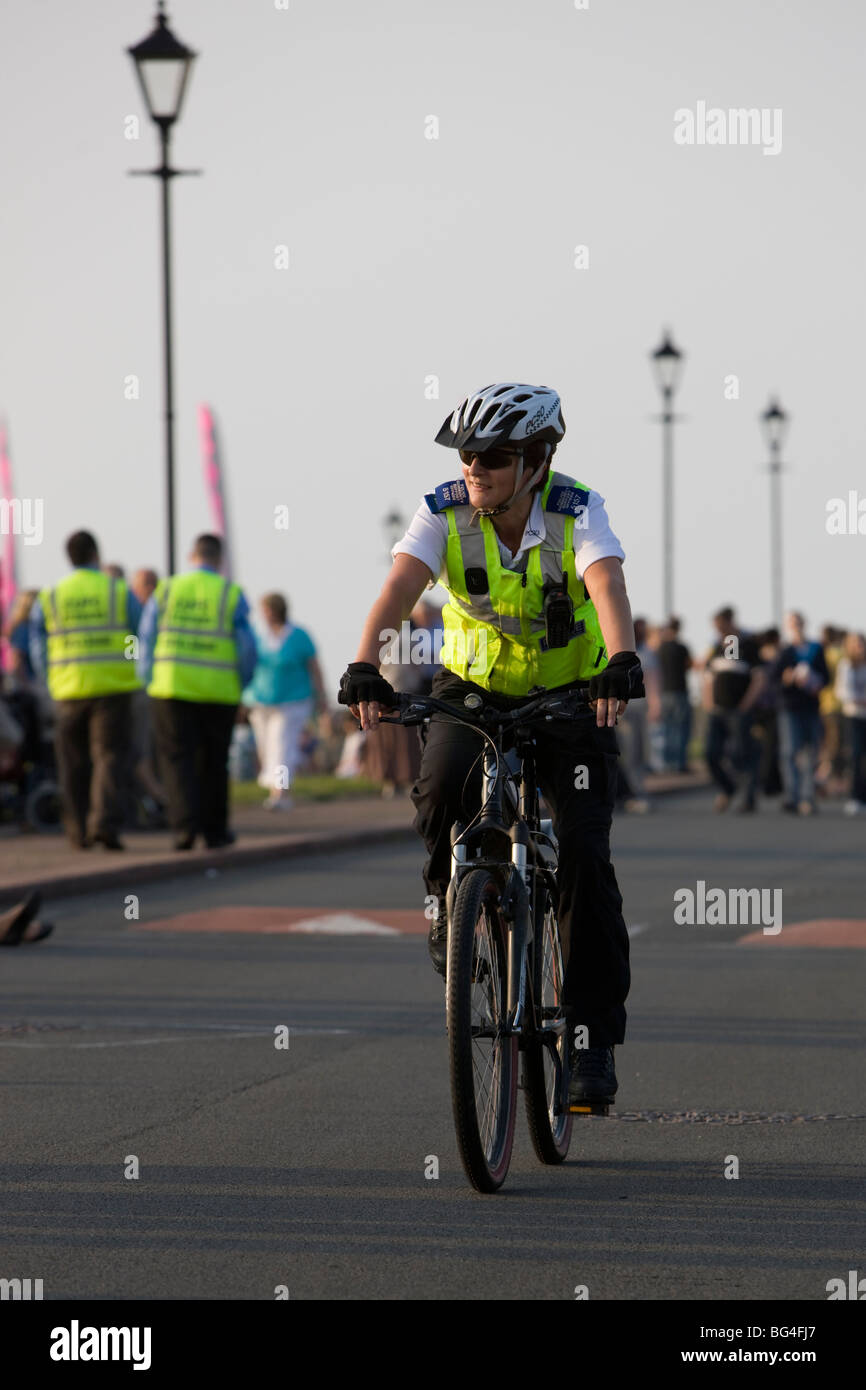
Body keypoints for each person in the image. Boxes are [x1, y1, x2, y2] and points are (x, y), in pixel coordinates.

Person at [338, 381, 644, 1107]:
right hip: (473, 690)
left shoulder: (578, 510)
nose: (475, 468)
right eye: (467, 454)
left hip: (571, 699)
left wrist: (622, 660)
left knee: (584, 856)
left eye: (494, 457)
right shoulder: (444, 510)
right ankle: (449, 898)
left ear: (538, 458)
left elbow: (608, 586)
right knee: (441, 786)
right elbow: (397, 592)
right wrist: (364, 666)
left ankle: (590, 1039)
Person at [138, 533, 256, 849]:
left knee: (177, 760)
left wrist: (148, 679)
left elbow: (146, 639)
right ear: (218, 560)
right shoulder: (230, 594)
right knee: (215, 762)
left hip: (170, 688)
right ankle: (215, 831)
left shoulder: (166, 590)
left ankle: (183, 829)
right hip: (219, 691)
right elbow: (246, 647)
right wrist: (241, 682)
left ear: (192, 555)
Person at [29, 530, 142, 849]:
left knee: (72, 762)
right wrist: (131, 661)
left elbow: (39, 643)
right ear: (96, 553)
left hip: (68, 688)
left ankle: (78, 831)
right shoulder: (117, 590)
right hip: (112, 686)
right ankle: (104, 823)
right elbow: (138, 631)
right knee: (108, 758)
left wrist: (49, 676)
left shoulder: (51, 595)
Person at [242, 593, 327, 809]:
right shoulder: (260, 636)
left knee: (282, 746)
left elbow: (314, 667)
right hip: (260, 700)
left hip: (292, 701)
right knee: (265, 748)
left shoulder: (299, 636)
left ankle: (280, 793)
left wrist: (322, 696)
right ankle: (275, 787)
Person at [702, 606, 764, 813]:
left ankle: (748, 799)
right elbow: (709, 676)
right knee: (710, 754)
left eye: (721, 627)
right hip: (717, 711)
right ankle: (728, 788)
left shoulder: (748, 644)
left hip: (739, 711)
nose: (718, 631)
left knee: (742, 754)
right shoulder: (717, 646)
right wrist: (708, 702)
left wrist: (747, 704)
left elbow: (759, 677)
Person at [771, 612, 829, 816]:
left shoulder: (816, 649)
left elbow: (827, 677)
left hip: (810, 707)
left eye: (798, 622)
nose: (795, 626)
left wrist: (816, 682)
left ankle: (807, 797)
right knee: (789, 752)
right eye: (792, 623)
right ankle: (791, 796)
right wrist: (787, 679)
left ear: (804, 624)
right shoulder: (785, 651)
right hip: (789, 708)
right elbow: (773, 679)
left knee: (810, 753)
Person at [835, 631, 866, 815]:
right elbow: (843, 692)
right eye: (855, 643)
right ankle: (855, 796)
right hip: (853, 716)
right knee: (855, 756)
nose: (859, 646)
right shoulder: (846, 665)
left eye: (861, 642)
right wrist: (859, 700)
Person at [657, 617, 693, 772]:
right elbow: (689, 665)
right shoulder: (681, 647)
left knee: (666, 729)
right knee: (681, 729)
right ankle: (679, 764)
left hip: (663, 692)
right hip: (679, 691)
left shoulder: (660, 648)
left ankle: (666, 764)